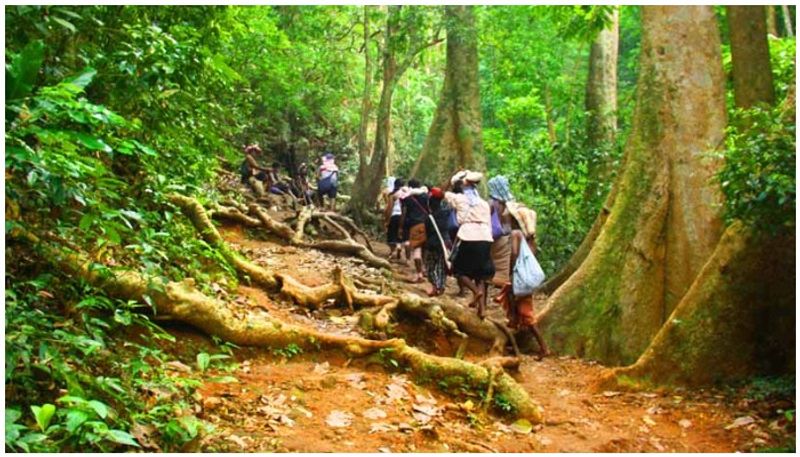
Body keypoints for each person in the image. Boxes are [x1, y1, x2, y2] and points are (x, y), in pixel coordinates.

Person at [443, 170, 495, 319]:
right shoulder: (484, 204)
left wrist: (452, 179)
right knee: (481, 275)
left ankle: (475, 291)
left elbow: (442, 193)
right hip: (485, 237)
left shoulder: (459, 198)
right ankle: (482, 310)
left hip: (468, 236)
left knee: (459, 271)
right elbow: (489, 224)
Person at [493, 230, 550, 359]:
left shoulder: (515, 234)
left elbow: (514, 253)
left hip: (520, 279)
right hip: (525, 280)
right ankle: (515, 343)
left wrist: (512, 274)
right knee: (517, 310)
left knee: (526, 314)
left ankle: (544, 347)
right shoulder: (527, 238)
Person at [487, 175, 515, 288]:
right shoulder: (509, 205)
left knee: (487, 272)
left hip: (491, 239)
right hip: (505, 240)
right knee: (504, 270)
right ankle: (504, 295)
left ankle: (482, 297)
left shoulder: (491, 203)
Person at [424, 187, 452, 296]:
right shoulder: (446, 213)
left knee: (431, 266)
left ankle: (435, 286)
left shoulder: (429, 217)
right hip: (445, 242)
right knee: (442, 266)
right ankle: (441, 286)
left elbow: (427, 232)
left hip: (433, 243)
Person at [400, 179, 429, 283]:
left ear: (410, 187)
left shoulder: (408, 198)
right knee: (425, 248)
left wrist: (401, 226)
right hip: (426, 224)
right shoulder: (425, 196)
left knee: (417, 249)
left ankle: (419, 274)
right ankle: (425, 268)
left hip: (415, 225)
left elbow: (404, 211)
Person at [383, 177, 405, 262]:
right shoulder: (406, 194)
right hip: (403, 216)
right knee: (400, 233)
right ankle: (399, 247)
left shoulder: (392, 195)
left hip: (394, 215)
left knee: (392, 233)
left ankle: (392, 252)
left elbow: (390, 208)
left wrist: (387, 220)